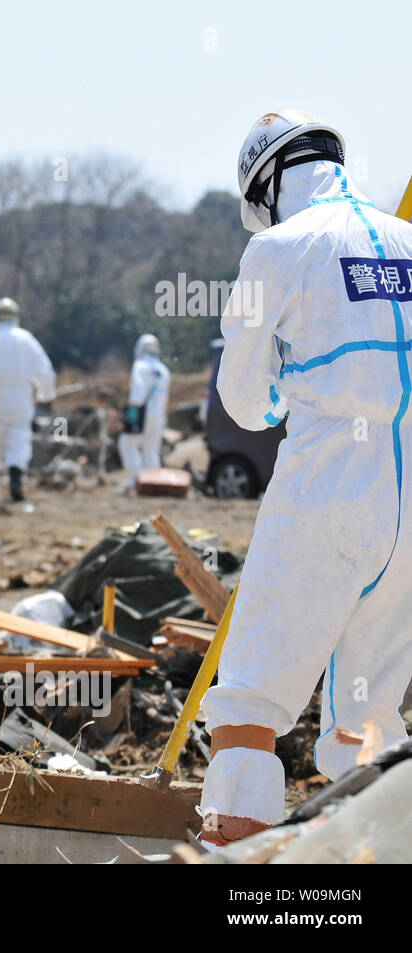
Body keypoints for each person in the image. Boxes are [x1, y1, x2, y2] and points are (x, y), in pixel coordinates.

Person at [200, 109, 412, 845]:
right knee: (369, 721)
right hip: (409, 505)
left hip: (326, 490)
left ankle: (238, 876)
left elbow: (245, 402)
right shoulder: (410, 243)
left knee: (250, 702)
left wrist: (290, 385)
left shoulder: (278, 250)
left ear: (265, 189)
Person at [0, 297, 55, 502]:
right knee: (19, 442)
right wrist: (46, 394)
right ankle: (15, 484)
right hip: (21, 400)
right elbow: (43, 368)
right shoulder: (26, 339)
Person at [118, 333, 171, 489]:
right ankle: (151, 483)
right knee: (151, 448)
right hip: (159, 414)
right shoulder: (164, 370)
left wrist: (129, 412)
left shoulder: (139, 366)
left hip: (142, 413)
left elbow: (137, 396)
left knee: (127, 443)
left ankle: (135, 479)